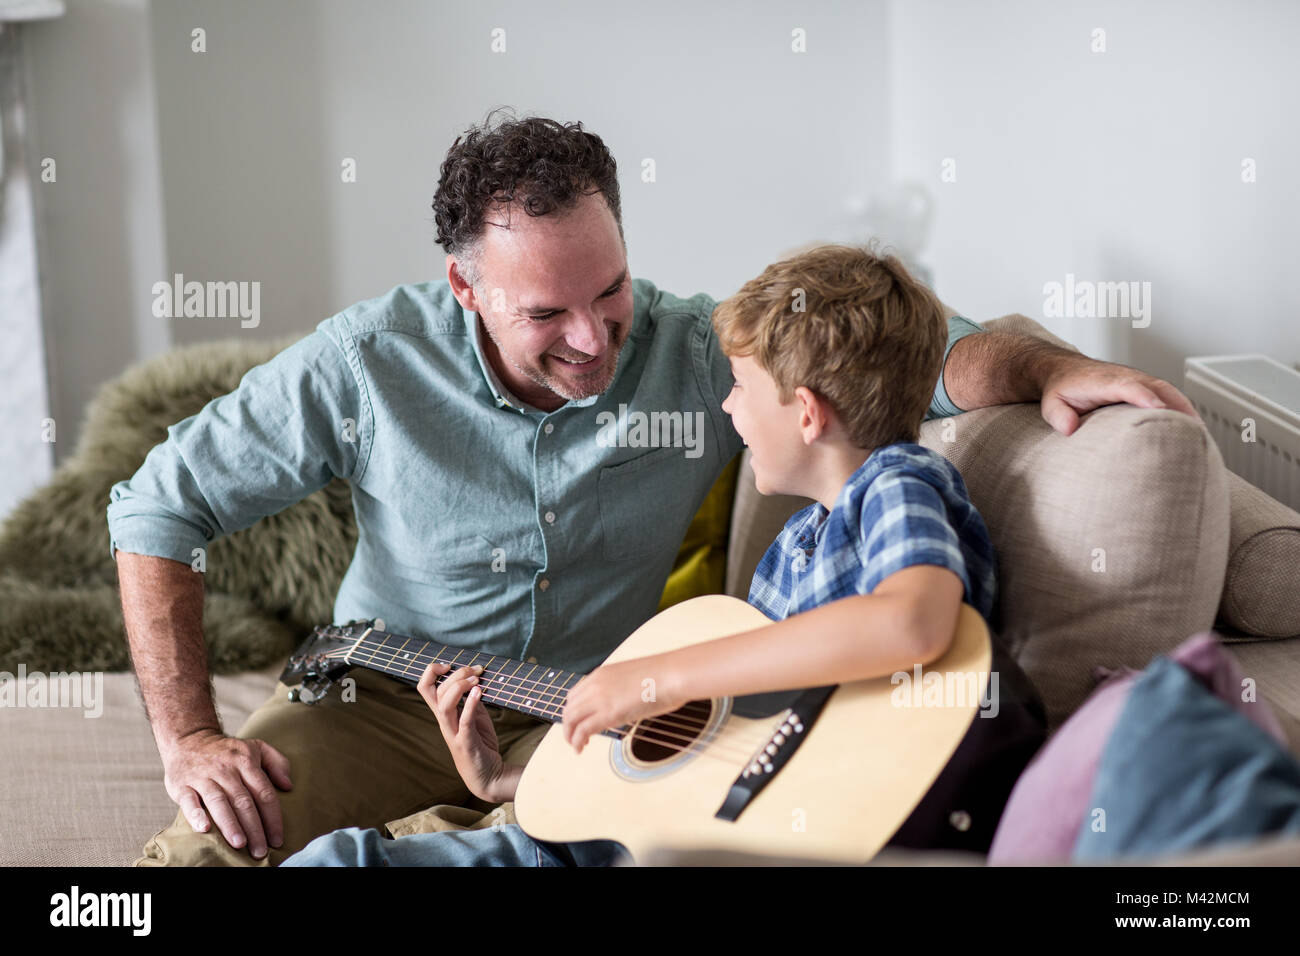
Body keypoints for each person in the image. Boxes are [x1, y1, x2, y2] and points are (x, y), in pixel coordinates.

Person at [110, 112, 1198, 867]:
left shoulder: (697, 347)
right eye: (545, 314)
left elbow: (926, 357)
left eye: (611, 288)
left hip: (600, 714)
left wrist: (1052, 365)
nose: (592, 337)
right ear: (464, 287)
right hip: (385, 695)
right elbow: (157, 509)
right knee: (217, 843)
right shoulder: (365, 363)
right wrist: (190, 737)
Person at [284, 243, 1041, 866]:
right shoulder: (798, 542)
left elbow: (910, 624)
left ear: (806, 414)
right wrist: (505, 779)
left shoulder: (897, 482)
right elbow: (722, 753)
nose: (726, 406)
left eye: (740, 387)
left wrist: (655, 679)